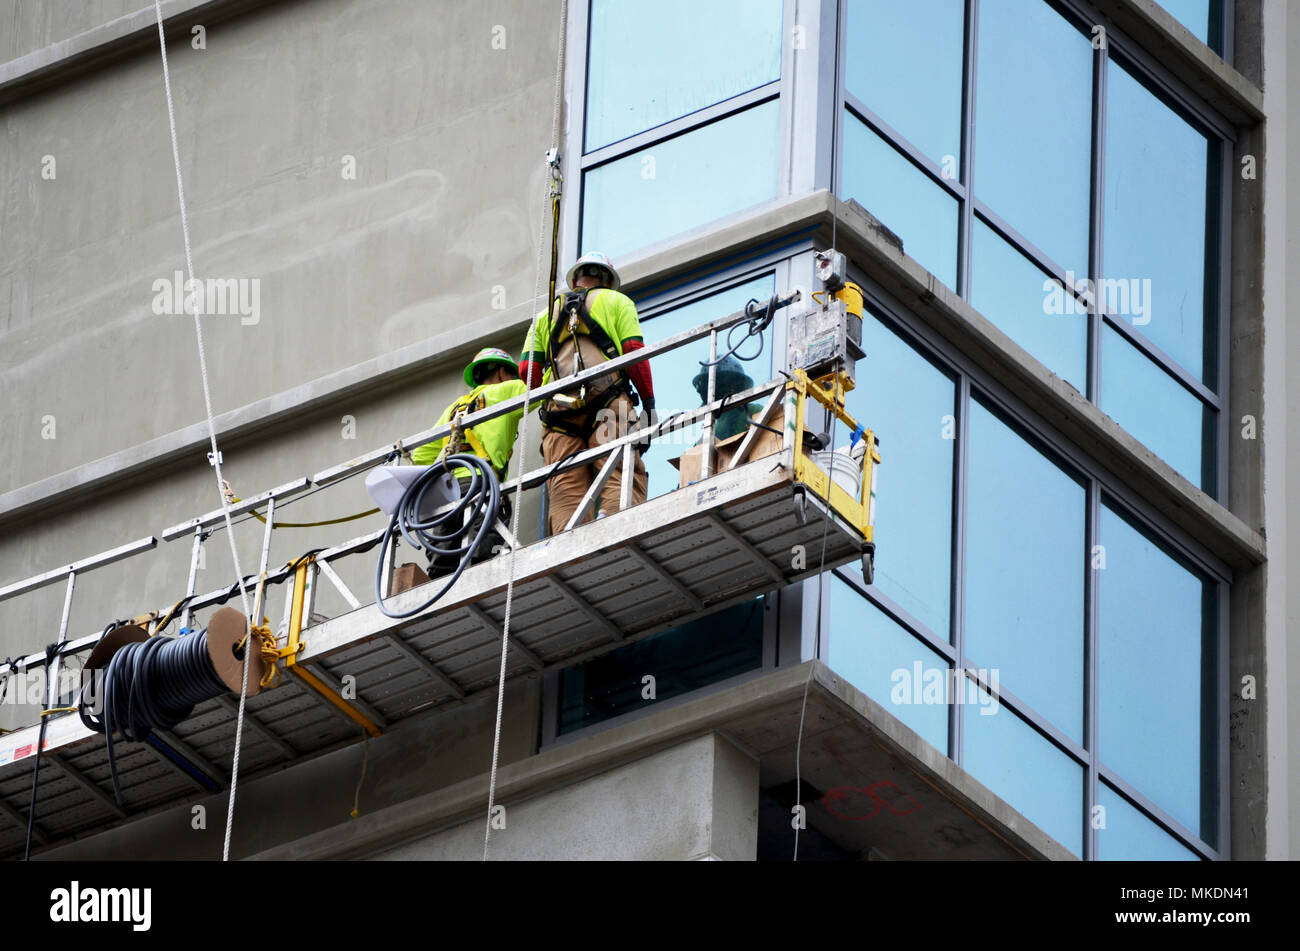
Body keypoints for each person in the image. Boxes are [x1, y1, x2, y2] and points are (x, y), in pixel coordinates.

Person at [520, 252, 656, 535]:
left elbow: (527, 372)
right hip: (608, 401)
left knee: (564, 485)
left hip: (559, 415)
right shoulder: (618, 301)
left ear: (576, 279)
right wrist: (649, 402)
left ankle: (568, 542)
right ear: (606, 280)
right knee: (619, 468)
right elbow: (633, 352)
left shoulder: (545, 314)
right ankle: (618, 527)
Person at [412, 347, 528, 573]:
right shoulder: (508, 389)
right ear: (502, 373)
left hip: (450, 492)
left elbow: (422, 455)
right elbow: (542, 392)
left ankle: (442, 596)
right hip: (479, 484)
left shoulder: (454, 409)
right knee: (483, 553)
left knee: (444, 558)